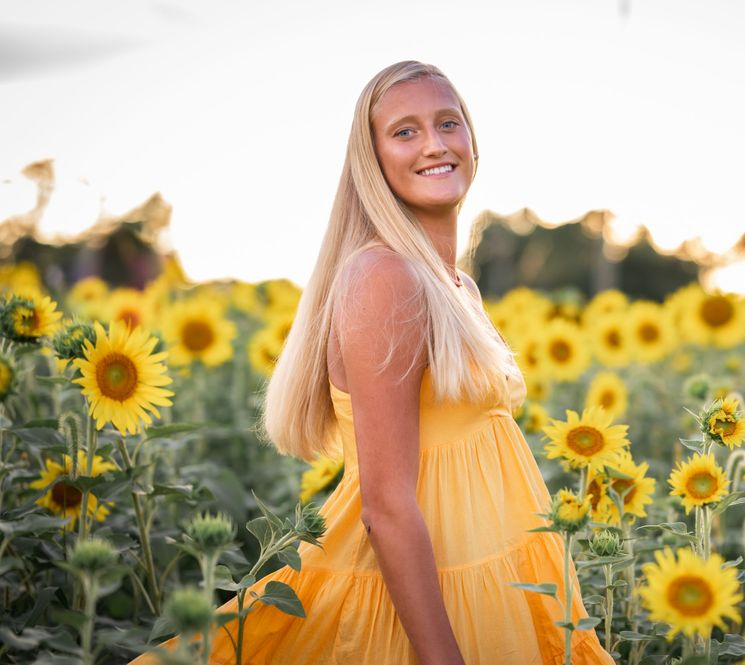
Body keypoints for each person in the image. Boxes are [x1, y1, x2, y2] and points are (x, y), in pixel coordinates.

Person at [130, 60, 615, 664]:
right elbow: (385, 507)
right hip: (422, 604)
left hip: (495, 578)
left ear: (473, 143)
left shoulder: (458, 286)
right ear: (373, 159)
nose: (435, 144)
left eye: (448, 123)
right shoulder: (385, 277)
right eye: (405, 131)